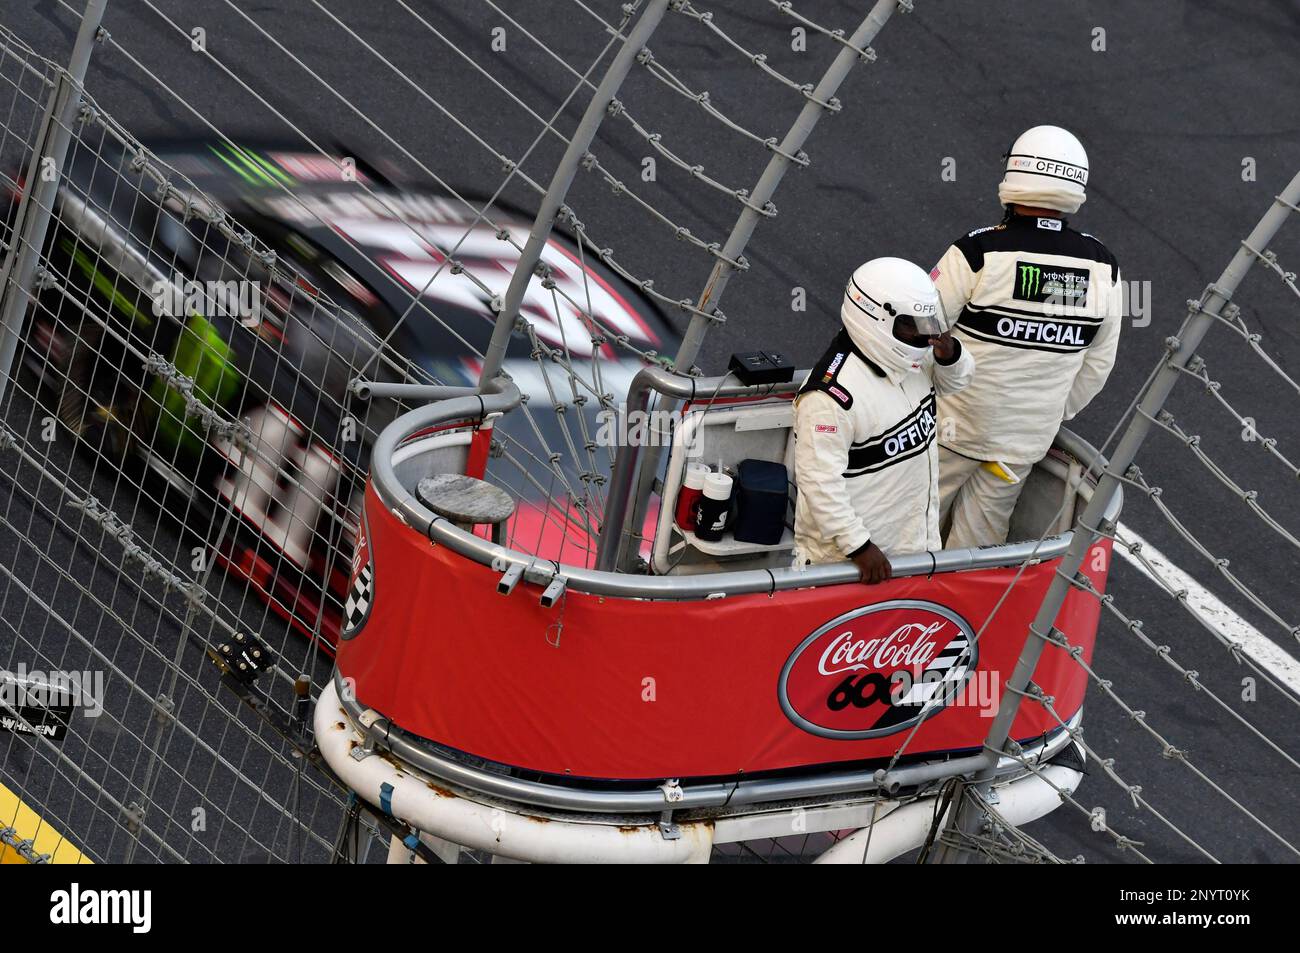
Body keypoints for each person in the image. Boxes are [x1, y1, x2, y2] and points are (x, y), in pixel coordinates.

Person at [930, 125, 1123, 550]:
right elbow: (1098, 363)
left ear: (1014, 175)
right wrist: (1047, 412)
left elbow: (921, 331)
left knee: (912, 531)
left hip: (950, 430)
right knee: (979, 547)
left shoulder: (978, 250)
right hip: (1023, 442)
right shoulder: (1103, 265)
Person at [792, 257, 975, 584]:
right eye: (911, 325)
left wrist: (950, 355)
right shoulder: (829, 397)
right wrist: (858, 546)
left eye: (927, 322)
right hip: (850, 566)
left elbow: (956, 383)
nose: (925, 335)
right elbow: (819, 483)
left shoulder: (916, 358)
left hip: (915, 548)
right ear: (874, 316)